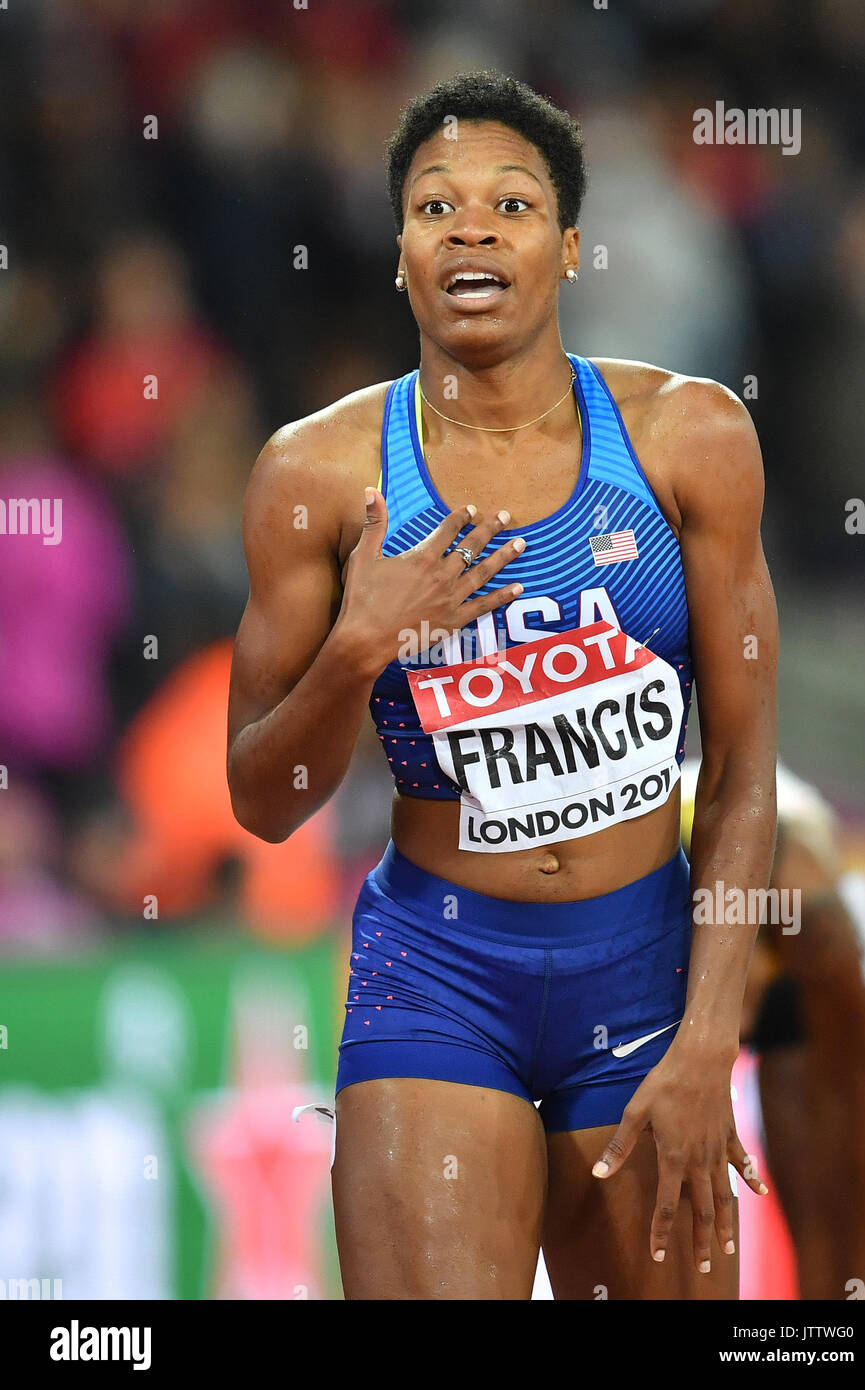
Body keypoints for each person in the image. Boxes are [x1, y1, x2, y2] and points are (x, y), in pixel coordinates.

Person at [227, 70, 778, 1300]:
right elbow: (263, 798)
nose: (471, 227)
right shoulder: (314, 476)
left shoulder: (689, 439)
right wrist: (360, 644)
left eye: (511, 204)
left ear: (570, 247)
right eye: (435, 207)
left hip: (644, 972)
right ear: (402, 253)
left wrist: (707, 1039)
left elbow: (742, 770)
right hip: (437, 973)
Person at [681, 757, 865, 1299]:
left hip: (797, 906)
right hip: (691, 862)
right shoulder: (662, 899)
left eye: (748, 1006)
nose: (742, 1027)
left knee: (828, 1227)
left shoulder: (821, 940)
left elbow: (861, 1127)